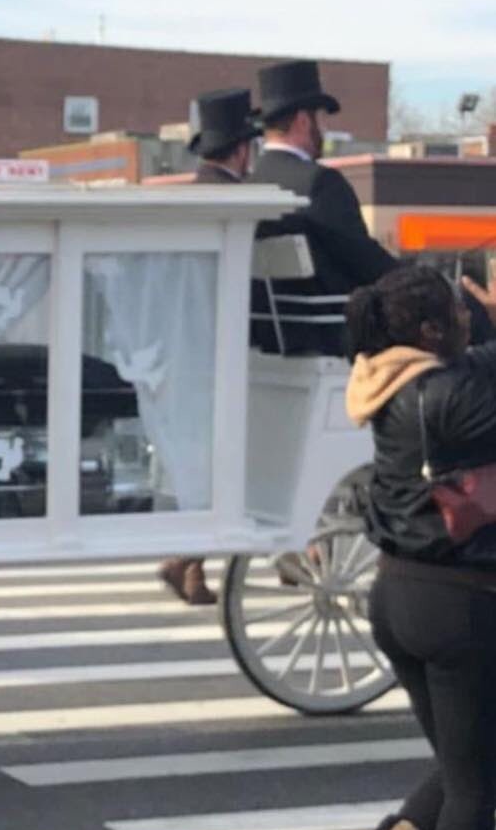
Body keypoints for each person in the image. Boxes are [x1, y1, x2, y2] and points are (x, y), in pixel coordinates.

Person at [312, 265, 496, 830]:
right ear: (428, 331)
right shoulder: (449, 397)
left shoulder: (393, 382)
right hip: (460, 604)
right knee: (477, 786)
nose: (466, 319)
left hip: (400, 596)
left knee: (465, 764)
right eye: (456, 311)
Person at [159, 88, 262, 607]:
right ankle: (188, 557)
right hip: (220, 350)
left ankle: (192, 565)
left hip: (182, 353)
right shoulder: (234, 202)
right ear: (242, 150)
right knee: (223, 463)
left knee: (200, 465)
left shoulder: (187, 200)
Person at [249, 59, 399, 357]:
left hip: (266, 332)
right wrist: (424, 283)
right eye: (322, 119)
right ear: (304, 121)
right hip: (328, 332)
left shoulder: (249, 185)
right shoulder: (320, 182)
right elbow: (366, 262)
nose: (325, 130)